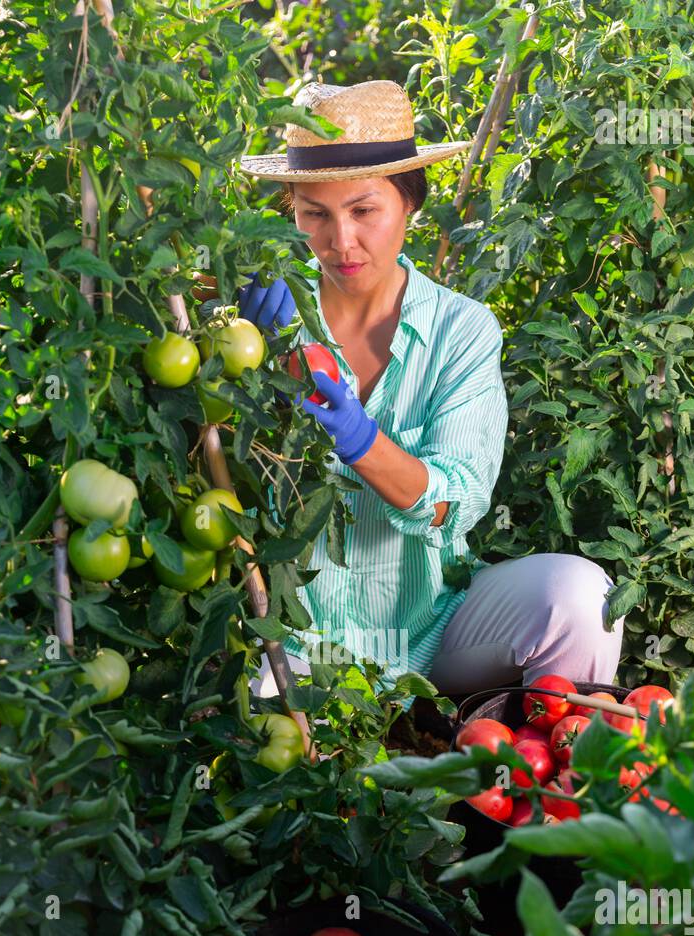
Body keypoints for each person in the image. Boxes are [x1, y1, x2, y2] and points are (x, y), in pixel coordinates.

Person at [236, 79, 624, 705]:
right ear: (293, 212)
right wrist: (240, 358)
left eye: (364, 210)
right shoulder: (263, 324)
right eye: (315, 214)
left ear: (409, 202)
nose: (341, 241)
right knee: (280, 727)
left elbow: (460, 505)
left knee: (581, 599)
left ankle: (560, 773)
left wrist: (362, 442)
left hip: (432, 630)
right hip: (300, 639)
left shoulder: (461, 329)